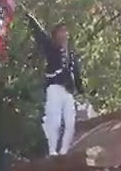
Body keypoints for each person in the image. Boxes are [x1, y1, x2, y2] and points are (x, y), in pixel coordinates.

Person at [25, 10, 84, 156]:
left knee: (70, 123)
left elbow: (76, 74)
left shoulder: (71, 55)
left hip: (68, 92)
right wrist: (31, 19)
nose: (64, 35)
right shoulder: (52, 48)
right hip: (54, 88)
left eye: (65, 32)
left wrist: (81, 91)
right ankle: (52, 150)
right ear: (55, 35)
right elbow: (40, 35)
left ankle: (64, 151)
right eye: (60, 32)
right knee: (54, 121)